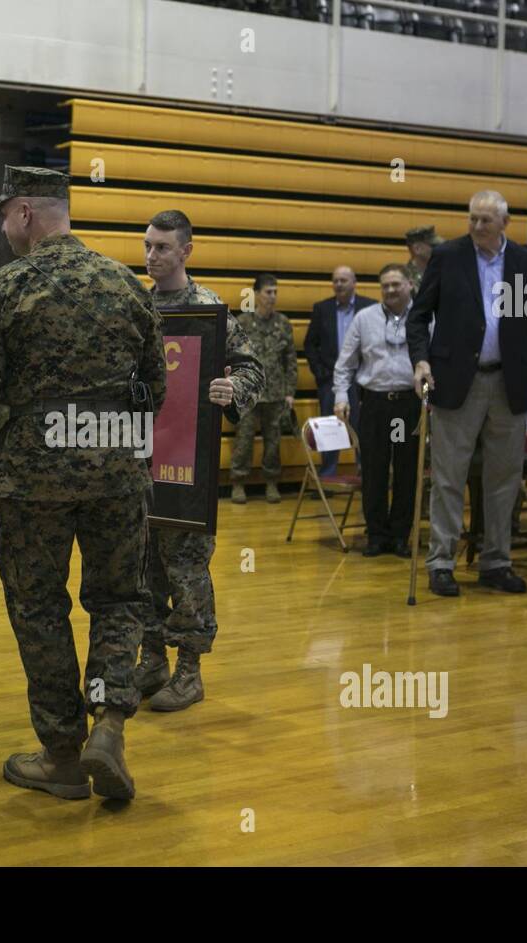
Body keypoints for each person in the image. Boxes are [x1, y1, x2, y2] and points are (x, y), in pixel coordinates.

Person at [0, 167, 166, 801]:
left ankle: (62, 754)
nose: (2, 225)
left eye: (3, 214)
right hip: (117, 472)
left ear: (24, 213)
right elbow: (156, 384)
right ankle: (108, 721)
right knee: (120, 599)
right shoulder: (126, 284)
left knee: (39, 607)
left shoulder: (4, 288)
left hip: (33, 476)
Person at [137, 209, 264, 712]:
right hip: (141, 460)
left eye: (162, 247)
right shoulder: (137, 305)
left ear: (186, 251)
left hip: (189, 466)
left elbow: (252, 370)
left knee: (187, 568)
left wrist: (234, 388)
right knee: (143, 569)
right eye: (147, 245)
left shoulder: (209, 310)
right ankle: (152, 659)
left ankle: (189, 670)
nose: (151, 255)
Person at [406, 190, 527, 597]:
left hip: (510, 383)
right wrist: (421, 361)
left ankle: (496, 562)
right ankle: (442, 563)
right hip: (455, 381)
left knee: (505, 479)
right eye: (472, 219)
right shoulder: (448, 256)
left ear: (505, 223)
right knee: (449, 477)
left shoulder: (523, 262)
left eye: (486, 220)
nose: (477, 227)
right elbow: (417, 318)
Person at [333, 264, 419, 558]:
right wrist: (341, 397)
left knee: (407, 472)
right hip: (374, 404)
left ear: (409, 284)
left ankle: (399, 536)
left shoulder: (423, 318)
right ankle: (376, 534)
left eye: (396, 284)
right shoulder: (364, 319)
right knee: (374, 471)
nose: (391, 290)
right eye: (385, 286)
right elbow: (345, 364)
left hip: (409, 404)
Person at [229, 273, 295, 504]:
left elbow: (290, 360)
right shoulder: (243, 323)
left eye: (276, 292)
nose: (273, 296)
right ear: (256, 294)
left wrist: (290, 392)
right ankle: (238, 482)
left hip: (275, 392)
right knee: (244, 440)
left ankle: (271, 482)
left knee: (273, 441)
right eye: (269, 292)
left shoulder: (283, 323)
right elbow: (232, 358)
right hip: (248, 393)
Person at [304, 266, 377, 477]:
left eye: (343, 280)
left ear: (354, 283)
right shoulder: (322, 308)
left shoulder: (369, 308)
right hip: (330, 380)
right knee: (330, 429)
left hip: (362, 380)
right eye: (335, 280)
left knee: (363, 428)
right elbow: (310, 344)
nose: (339, 284)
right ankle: (327, 475)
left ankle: (367, 474)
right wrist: (320, 372)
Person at [402, 225, 442, 294]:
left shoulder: (441, 270)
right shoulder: (404, 278)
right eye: (433, 246)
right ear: (417, 249)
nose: (440, 249)